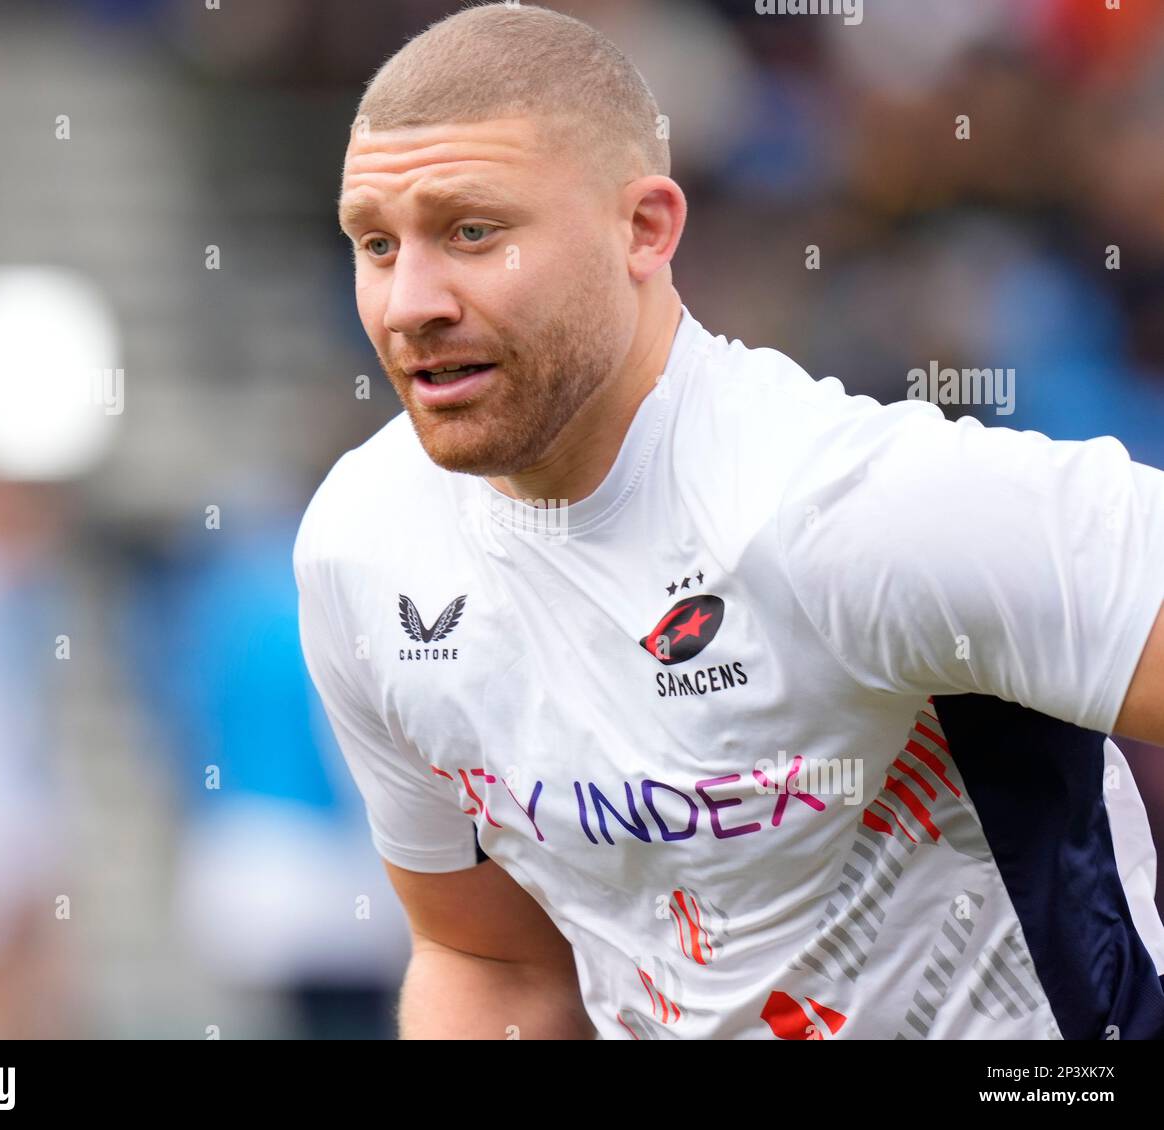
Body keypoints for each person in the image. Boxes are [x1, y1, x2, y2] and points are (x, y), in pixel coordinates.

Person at [293, 2, 1164, 1040]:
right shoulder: (362, 544)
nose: (408, 302)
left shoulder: (849, 504)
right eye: (375, 243)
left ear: (644, 229)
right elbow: (489, 959)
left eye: (472, 231)